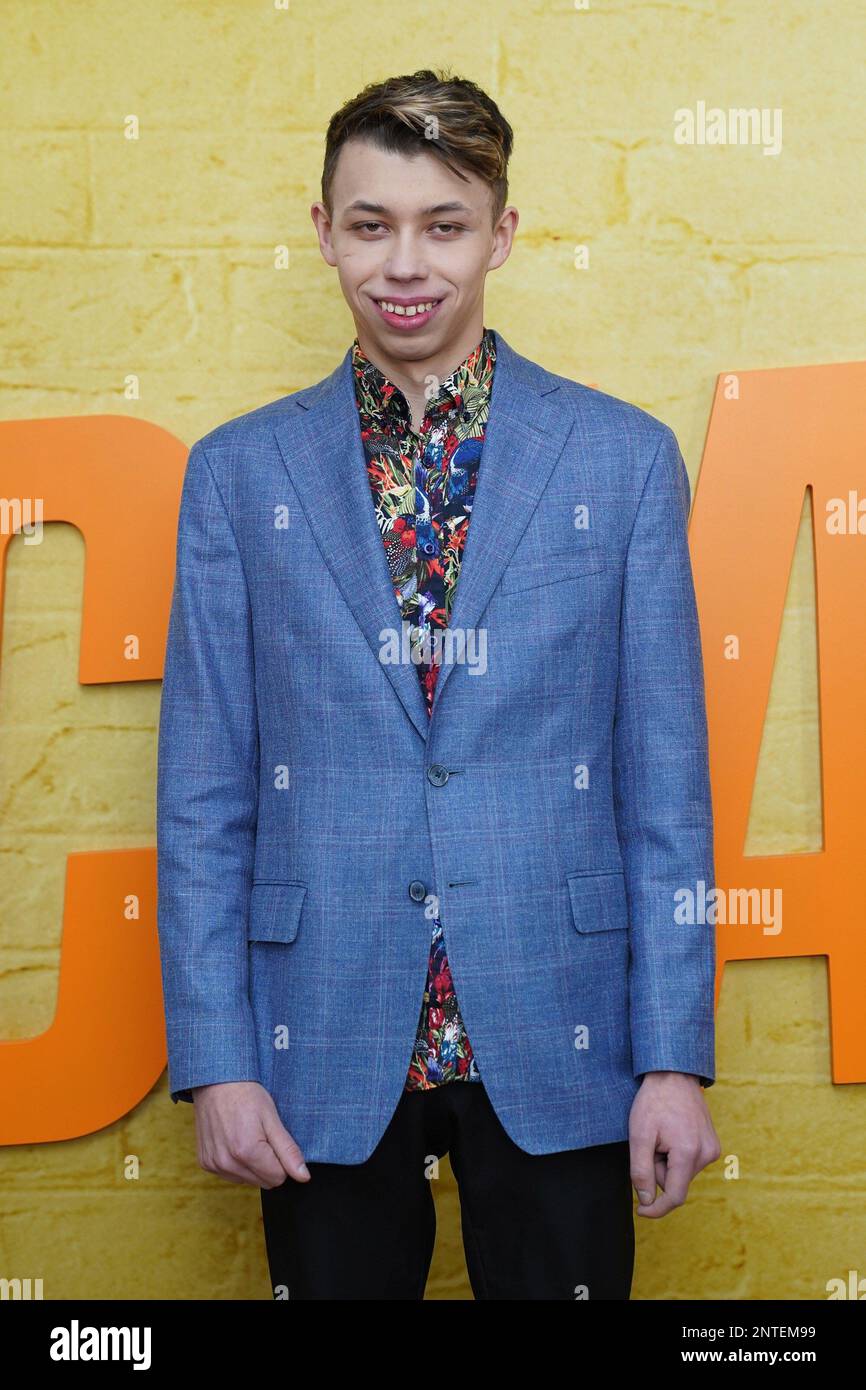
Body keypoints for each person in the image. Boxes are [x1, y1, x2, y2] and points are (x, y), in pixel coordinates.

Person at [156, 68, 721, 1301]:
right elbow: (203, 794)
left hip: (562, 1026)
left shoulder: (621, 461)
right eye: (369, 224)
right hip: (321, 1036)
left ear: (500, 235)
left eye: (442, 224)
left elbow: (665, 787)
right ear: (322, 232)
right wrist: (217, 1059)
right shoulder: (236, 474)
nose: (402, 264)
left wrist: (672, 1057)